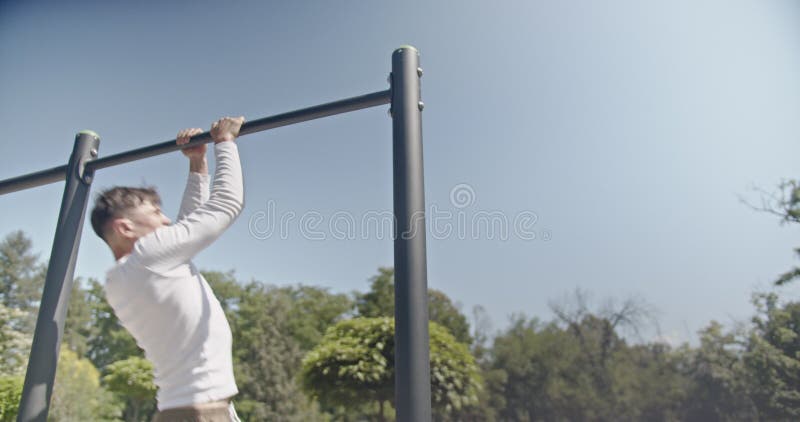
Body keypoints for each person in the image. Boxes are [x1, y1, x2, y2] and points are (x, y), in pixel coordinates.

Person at [90, 116, 246, 422]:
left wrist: (197, 163)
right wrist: (225, 142)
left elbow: (188, 225)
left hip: (185, 408)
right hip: (202, 410)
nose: (165, 221)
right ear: (125, 227)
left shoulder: (118, 278)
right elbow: (226, 203)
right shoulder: (149, 256)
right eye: (156, 213)